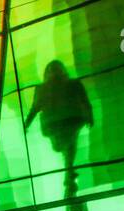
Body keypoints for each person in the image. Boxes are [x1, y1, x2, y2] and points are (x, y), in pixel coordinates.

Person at [23, 60, 93, 191]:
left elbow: (35, 108)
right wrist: (90, 116)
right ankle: (69, 169)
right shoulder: (74, 84)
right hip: (72, 120)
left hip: (55, 123)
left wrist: (27, 124)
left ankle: (69, 170)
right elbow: (85, 101)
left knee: (64, 145)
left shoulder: (42, 88)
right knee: (69, 143)